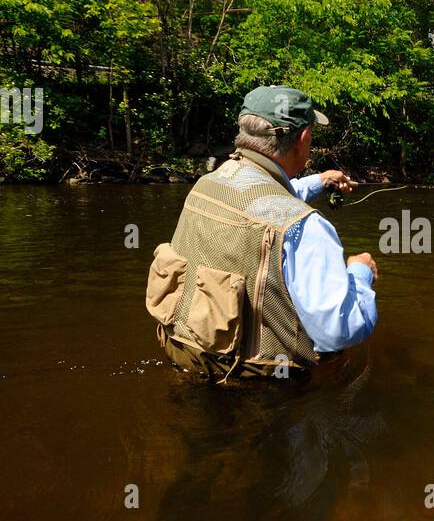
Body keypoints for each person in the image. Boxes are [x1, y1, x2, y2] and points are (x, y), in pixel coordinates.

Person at [145, 85, 378, 379]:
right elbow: (339, 332)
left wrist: (320, 181)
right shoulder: (307, 227)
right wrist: (359, 273)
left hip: (185, 354)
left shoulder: (206, 185)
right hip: (262, 384)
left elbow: (259, 201)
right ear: (303, 138)